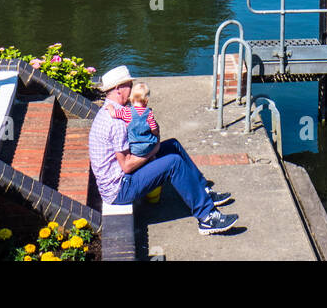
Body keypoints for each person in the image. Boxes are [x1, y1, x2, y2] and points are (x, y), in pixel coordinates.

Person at [88, 66, 237, 234]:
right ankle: (207, 218)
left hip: (121, 177)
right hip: (119, 188)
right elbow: (127, 166)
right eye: (129, 84)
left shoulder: (115, 109)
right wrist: (154, 150)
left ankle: (203, 191)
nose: (132, 89)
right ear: (118, 89)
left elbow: (140, 128)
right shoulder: (115, 123)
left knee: (173, 145)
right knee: (174, 163)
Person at [127, 80, 160, 157]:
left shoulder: (127, 112)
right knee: (154, 140)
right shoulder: (149, 113)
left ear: (131, 98)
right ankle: (152, 158)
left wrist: (111, 109)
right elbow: (154, 130)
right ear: (146, 100)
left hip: (133, 147)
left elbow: (116, 113)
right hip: (148, 146)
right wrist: (157, 133)